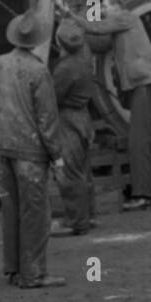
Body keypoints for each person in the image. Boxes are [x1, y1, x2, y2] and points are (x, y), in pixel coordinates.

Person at [0, 10, 67, 289]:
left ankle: (13, 270)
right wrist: (57, 154)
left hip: (2, 147)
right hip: (30, 153)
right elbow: (47, 118)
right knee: (36, 215)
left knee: (11, 211)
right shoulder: (39, 70)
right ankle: (33, 274)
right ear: (38, 40)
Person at [86, 0, 151, 209]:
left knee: (137, 141)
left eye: (105, 6)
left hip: (143, 86)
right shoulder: (121, 25)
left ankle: (141, 196)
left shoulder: (125, 17)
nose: (103, 10)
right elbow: (99, 37)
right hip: (146, 86)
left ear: (117, 7)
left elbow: (96, 29)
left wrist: (70, 16)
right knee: (149, 141)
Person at [49, 18, 96, 237]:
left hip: (68, 120)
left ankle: (75, 222)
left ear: (60, 44)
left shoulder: (65, 68)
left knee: (69, 172)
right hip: (84, 118)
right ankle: (89, 216)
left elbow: (53, 97)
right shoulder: (85, 61)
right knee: (83, 172)